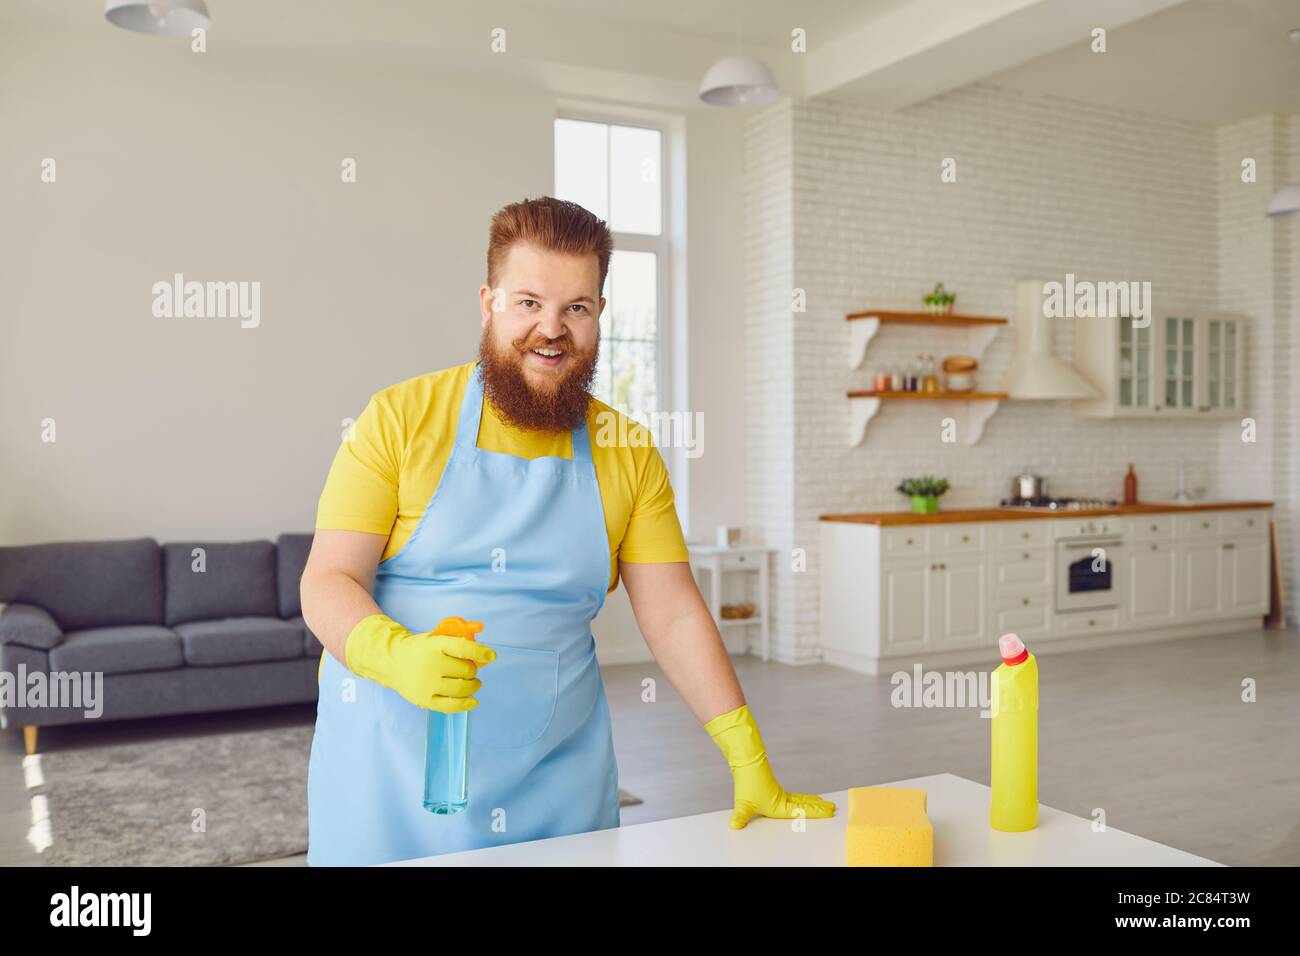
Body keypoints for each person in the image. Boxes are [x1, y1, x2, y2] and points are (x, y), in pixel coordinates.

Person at [301, 196, 834, 865]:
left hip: (556, 782)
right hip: (389, 773)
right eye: (527, 302)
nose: (550, 329)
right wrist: (395, 655)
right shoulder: (399, 419)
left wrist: (746, 754)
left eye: (575, 308)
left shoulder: (626, 450)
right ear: (489, 301)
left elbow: (671, 613)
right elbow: (328, 580)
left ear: (600, 315)